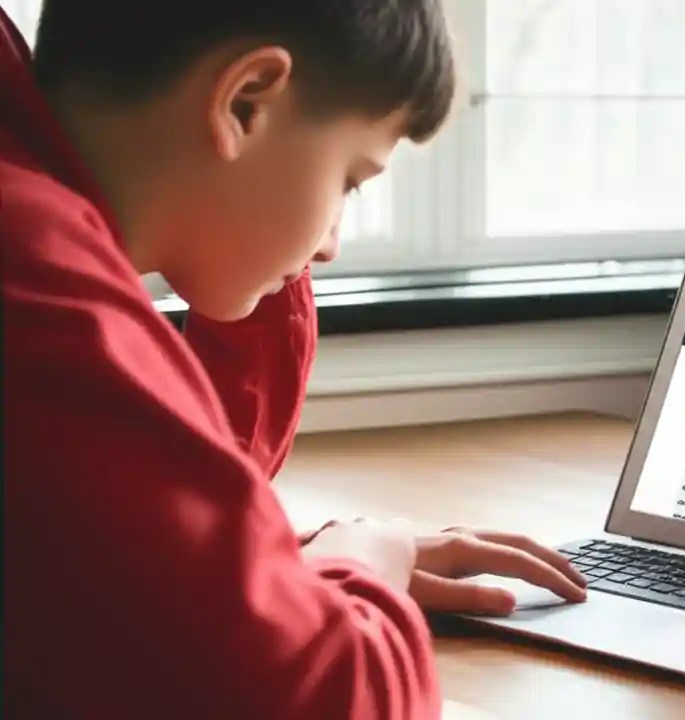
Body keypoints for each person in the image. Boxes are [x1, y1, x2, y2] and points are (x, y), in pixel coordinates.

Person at [1, 2, 588, 717]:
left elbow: (120, 548)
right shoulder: (33, 274)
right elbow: (327, 703)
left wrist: (289, 569)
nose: (330, 245)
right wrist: (362, 563)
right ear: (245, 103)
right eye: (348, 181)